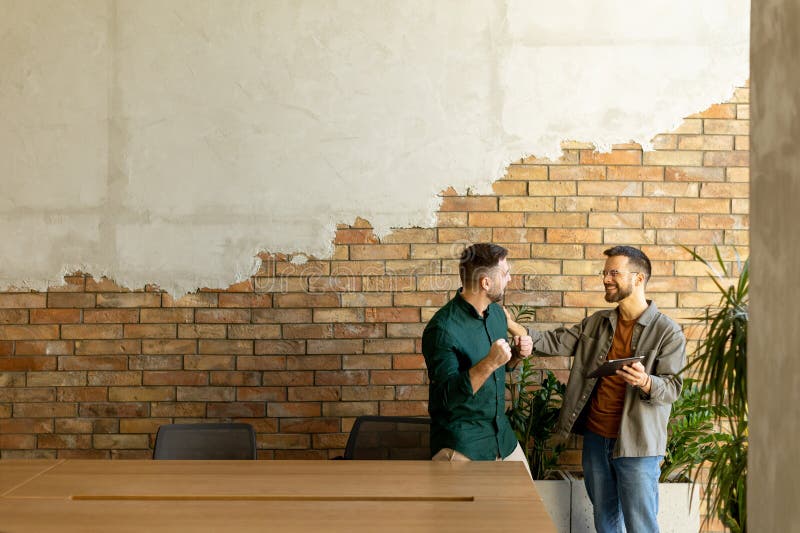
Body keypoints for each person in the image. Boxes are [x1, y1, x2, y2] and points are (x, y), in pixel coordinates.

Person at [507, 246, 685, 532]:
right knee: (605, 519)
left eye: (614, 272)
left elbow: (674, 387)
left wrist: (646, 381)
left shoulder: (667, 331)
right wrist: (514, 327)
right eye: (605, 273)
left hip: (637, 445)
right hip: (596, 440)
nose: (606, 279)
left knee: (641, 525)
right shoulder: (597, 323)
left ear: (639, 279)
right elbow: (555, 342)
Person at [422, 243, 533, 477]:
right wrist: (490, 363)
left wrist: (515, 357)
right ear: (486, 282)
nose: (510, 278)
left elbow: (500, 369)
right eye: (505, 274)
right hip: (463, 443)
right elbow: (446, 398)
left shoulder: (496, 315)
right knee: (467, 515)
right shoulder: (442, 329)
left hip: (501, 435)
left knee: (527, 506)